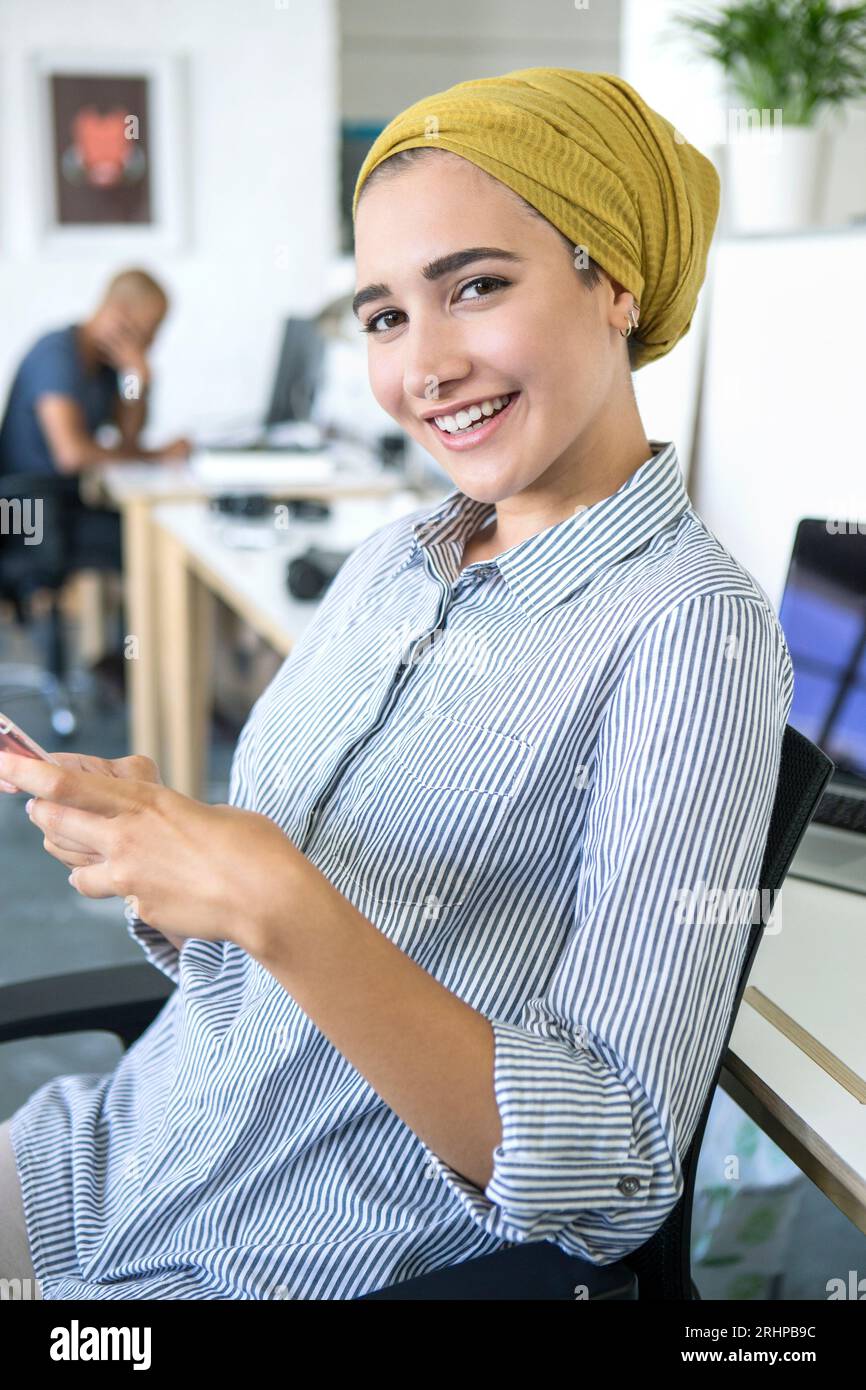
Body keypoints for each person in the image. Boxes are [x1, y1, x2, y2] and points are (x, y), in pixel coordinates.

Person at [0, 68, 793, 1300]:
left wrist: (276, 899)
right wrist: (174, 855)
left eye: (474, 287)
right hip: (106, 1156)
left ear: (614, 282)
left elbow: (616, 1168)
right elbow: (246, 968)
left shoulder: (690, 635)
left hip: (273, 1261)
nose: (422, 366)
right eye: (379, 316)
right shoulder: (388, 561)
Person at [0, 267, 191, 685]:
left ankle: (121, 668)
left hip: (56, 508)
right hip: (25, 518)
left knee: (142, 537)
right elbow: (72, 454)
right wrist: (153, 455)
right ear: (121, 313)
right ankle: (144, 678)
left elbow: (127, 436)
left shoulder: (101, 368)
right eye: (150, 329)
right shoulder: (57, 354)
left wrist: (137, 377)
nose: (153, 342)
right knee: (148, 545)